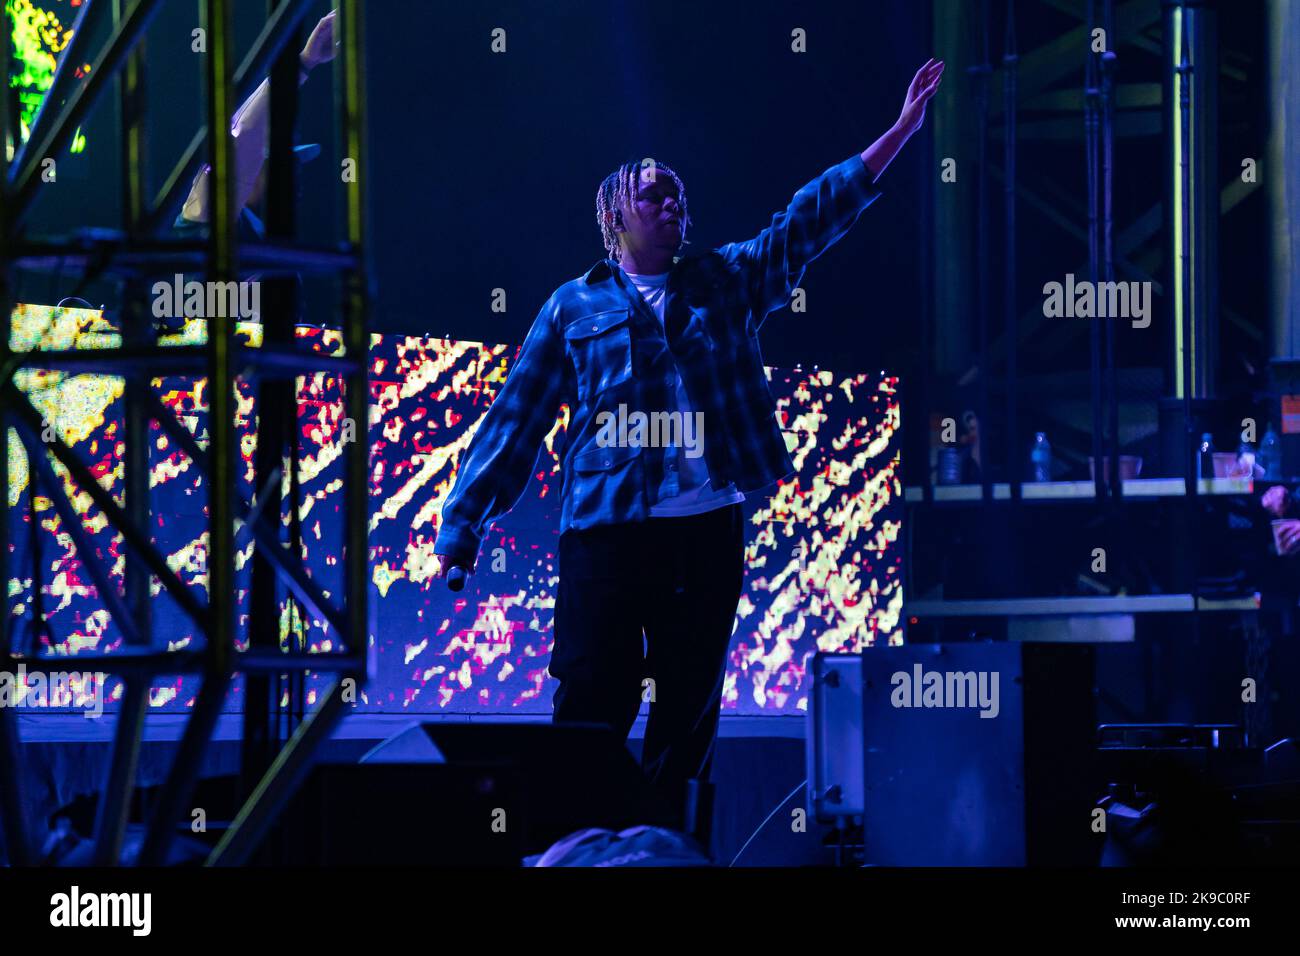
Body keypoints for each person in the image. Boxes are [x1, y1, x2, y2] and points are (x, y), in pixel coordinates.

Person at [433, 60, 944, 812]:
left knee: (688, 715)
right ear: (615, 216)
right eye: (653, 192)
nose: (672, 201)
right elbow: (517, 418)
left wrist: (897, 135)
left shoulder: (725, 282)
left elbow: (805, 222)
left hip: (704, 534)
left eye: (678, 193)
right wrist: (463, 524)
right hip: (606, 534)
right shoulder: (573, 308)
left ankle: (668, 854)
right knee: (590, 703)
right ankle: (582, 852)